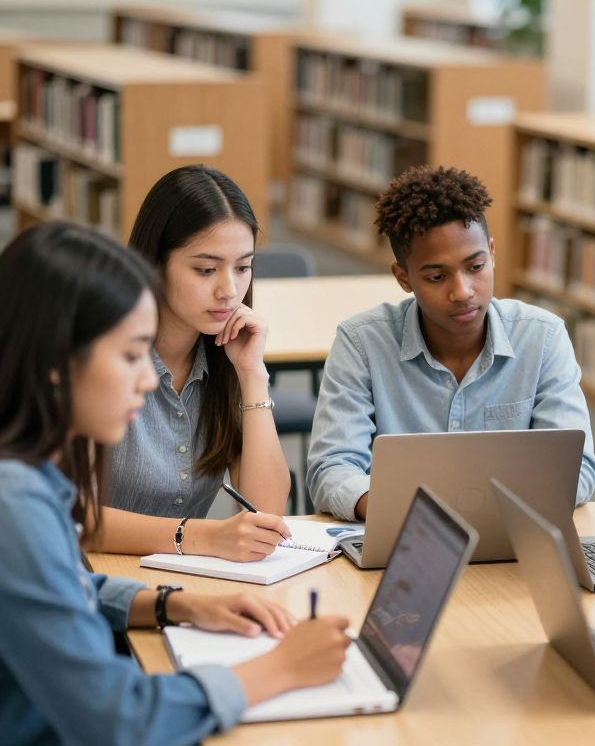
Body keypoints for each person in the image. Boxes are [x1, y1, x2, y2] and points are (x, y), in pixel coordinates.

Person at [0, 222, 350, 744]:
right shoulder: (16, 501)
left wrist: (173, 603)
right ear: (55, 362)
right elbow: (117, 721)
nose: (147, 378)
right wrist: (280, 669)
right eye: (129, 355)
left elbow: (64, 590)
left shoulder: (31, 477)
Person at [307, 165, 595, 521]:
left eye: (475, 267)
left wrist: (484, 509)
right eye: (436, 276)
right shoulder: (361, 344)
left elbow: (576, 468)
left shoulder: (543, 337)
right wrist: (400, 511)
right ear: (403, 278)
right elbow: (332, 468)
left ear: (491, 253)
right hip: (404, 536)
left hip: (513, 538)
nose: (462, 292)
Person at [85, 165, 292, 561]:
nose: (229, 291)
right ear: (155, 264)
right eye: (205, 269)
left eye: (243, 267)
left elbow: (266, 513)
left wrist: (252, 376)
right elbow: (70, 517)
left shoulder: (226, 358)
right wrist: (197, 537)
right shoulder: (99, 356)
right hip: (89, 584)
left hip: (178, 588)